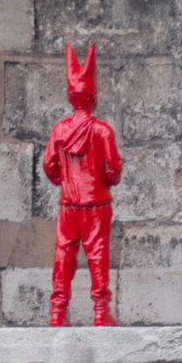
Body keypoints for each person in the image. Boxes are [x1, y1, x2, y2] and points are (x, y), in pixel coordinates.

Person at [42, 41, 123, 327]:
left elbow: (48, 166)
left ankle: (57, 312)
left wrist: (63, 182)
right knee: (97, 254)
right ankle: (100, 312)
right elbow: (114, 168)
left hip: (68, 204)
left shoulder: (60, 130)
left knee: (63, 254)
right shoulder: (102, 131)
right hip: (95, 203)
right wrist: (107, 181)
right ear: (93, 96)